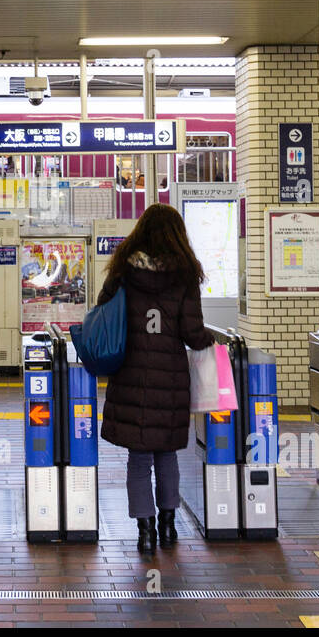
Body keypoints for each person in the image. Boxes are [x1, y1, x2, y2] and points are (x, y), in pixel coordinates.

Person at [95, 203, 212, 554]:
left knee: (139, 457)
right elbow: (193, 333)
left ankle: (144, 531)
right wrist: (216, 342)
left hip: (131, 374)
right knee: (167, 455)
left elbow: (102, 311)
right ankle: (168, 526)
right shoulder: (185, 275)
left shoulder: (122, 271)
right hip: (171, 379)